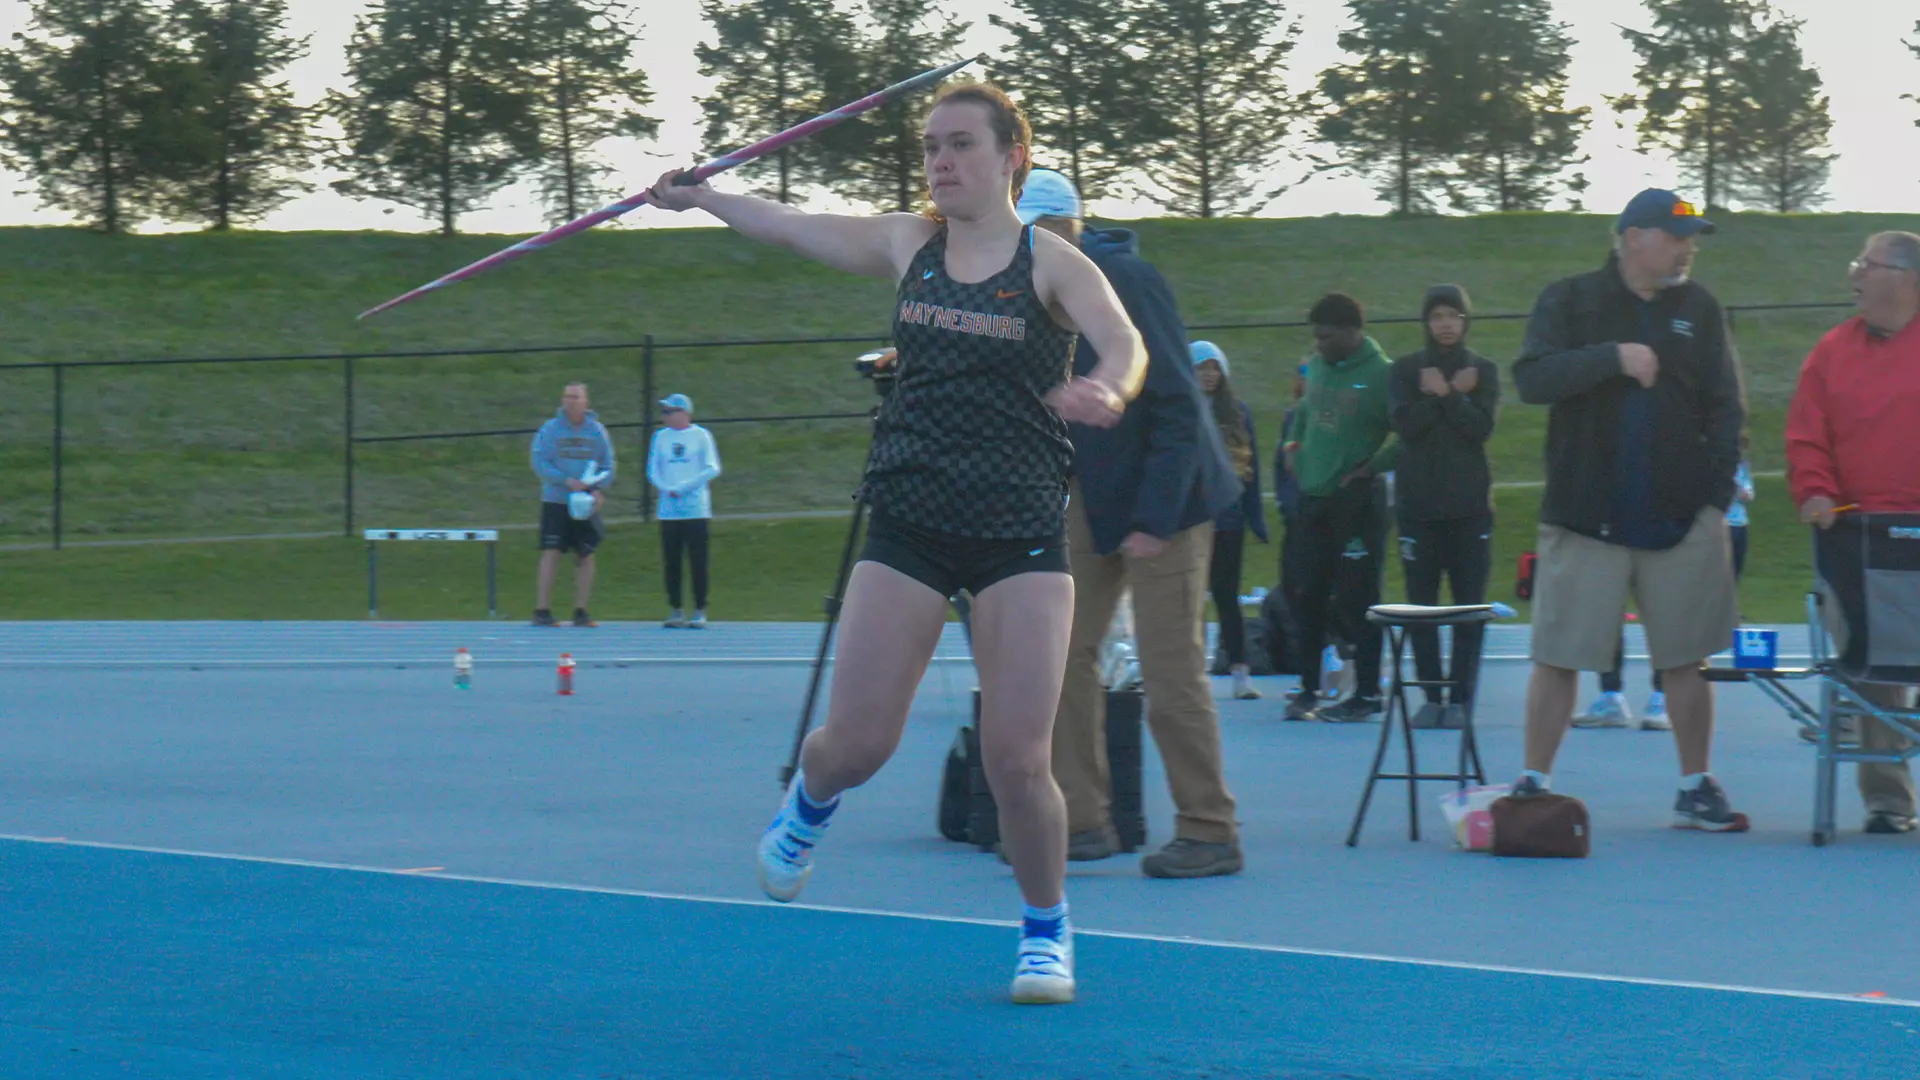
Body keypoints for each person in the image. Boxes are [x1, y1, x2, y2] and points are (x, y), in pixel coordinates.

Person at [642, 83, 1147, 1004]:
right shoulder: (911, 244)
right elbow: (794, 226)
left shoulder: (1054, 263)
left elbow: (1126, 345)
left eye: (960, 145)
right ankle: (809, 802)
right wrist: (706, 197)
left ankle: (1046, 932)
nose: (940, 162)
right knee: (854, 747)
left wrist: (1108, 388)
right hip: (910, 523)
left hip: (1019, 533)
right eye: (930, 148)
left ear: (1010, 159)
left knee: (1019, 761)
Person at [1020, 168, 1245, 880]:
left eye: (1030, 234)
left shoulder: (1128, 282)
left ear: (1064, 230)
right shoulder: (1032, 294)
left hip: (1166, 495)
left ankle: (1210, 829)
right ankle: (1082, 821)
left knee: (1170, 666)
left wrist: (1152, 521)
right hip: (1094, 490)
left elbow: (1179, 404)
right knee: (1062, 655)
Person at [1509, 189, 1748, 831]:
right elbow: (1531, 379)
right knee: (1558, 655)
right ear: (1632, 237)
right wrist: (1611, 358)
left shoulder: (1699, 308)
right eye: (1677, 236)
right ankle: (1534, 782)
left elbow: (1727, 405)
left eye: (1692, 236)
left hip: (1680, 517)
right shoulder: (1570, 299)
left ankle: (1696, 787)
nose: (1688, 247)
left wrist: (1715, 495)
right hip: (1586, 514)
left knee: (1685, 659)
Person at [1786, 230, 1920, 834]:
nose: (1854, 276)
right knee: (1877, 667)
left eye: (1865, 265)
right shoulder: (1832, 350)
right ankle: (1888, 800)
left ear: (1905, 277)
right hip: (1860, 541)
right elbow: (1806, 434)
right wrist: (1814, 490)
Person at [1279, 294, 1398, 723]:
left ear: (1353, 332)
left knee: (1358, 599)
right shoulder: (1319, 367)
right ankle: (1308, 688)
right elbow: (1304, 412)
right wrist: (1293, 446)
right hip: (1313, 500)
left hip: (1357, 503)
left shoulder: (1383, 374)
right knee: (1306, 594)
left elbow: (1408, 432)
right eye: (1316, 336)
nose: (1320, 343)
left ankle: (1367, 692)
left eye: (1327, 336)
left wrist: (1372, 468)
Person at [1577, 443, 1754, 732]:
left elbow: (1731, 486)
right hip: (1620, 523)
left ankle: (1663, 697)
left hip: (1677, 527)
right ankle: (1610, 695)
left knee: (1671, 615)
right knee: (1608, 611)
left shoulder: (1700, 432)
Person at [1389, 284, 1499, 730]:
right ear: (1426, 321)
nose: (1446, 324)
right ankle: (1430, 696)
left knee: (1469, 607)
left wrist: (1451, 395)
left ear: (1466, 320)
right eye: (1437, 316)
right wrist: (1445, 393)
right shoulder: (1404, 370)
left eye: (1454, 315)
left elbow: (1479, 429)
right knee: (1422, 607)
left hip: (1469, 508)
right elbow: (1405, 427)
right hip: (1418, 508)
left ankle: (1460, 698)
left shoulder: (1483, 370)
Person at [1193, 340, 1270, 702]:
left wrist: (1256, 518)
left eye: (1214, 368)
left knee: (1225, 594)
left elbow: (1250, 471)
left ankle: (1240, 671)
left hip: (1228, 518)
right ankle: (1190, 673)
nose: (1209, 376)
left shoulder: (1238, 412)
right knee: (1188, 597)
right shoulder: (1180, 409)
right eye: (1201, 368)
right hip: (1189, 519)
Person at [530, 382, 615, 628]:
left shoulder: (597, 431)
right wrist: (565, 481)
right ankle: (542, 609)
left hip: (585, 502)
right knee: (551, 551)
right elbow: (540, 462)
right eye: (567, 396)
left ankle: (581, 609)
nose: (571, 401)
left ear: (586, 402)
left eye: (576, 397)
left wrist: (597, 489)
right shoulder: (550, 429)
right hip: (557, 499)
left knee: (586, 553)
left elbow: (607, 464)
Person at [648, 393, 721, 628]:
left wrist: (685, 487)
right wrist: (666, 488)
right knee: (671, 560)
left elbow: (712, 468)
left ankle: (700, 608)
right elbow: (653, 469)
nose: (665, 416)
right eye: (664, 412)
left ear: (684, 413)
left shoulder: (701, 436)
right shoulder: (660, 437)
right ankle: (676, 608)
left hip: (695, 509)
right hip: (669, 510)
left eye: (670, 412)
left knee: (698, 560)